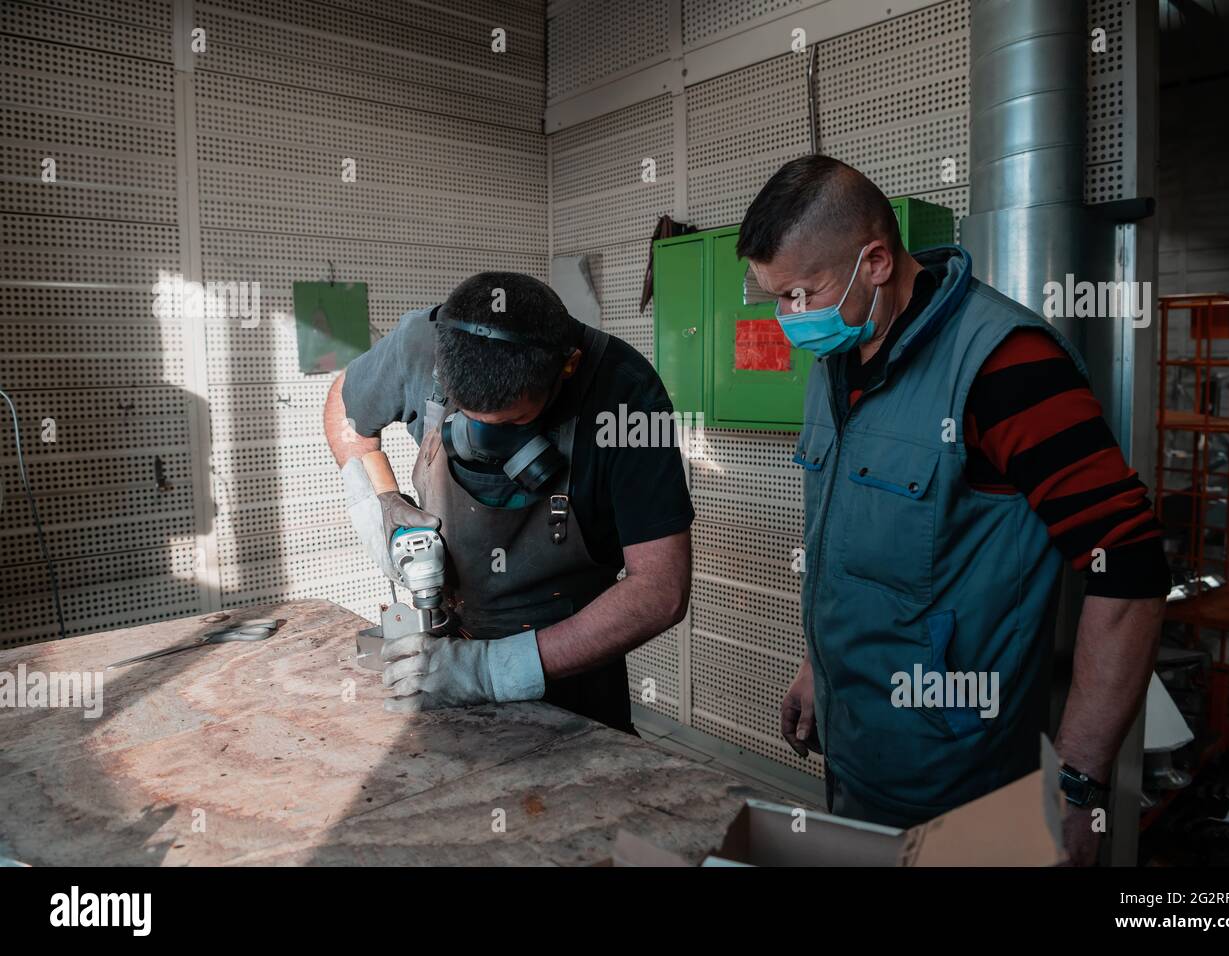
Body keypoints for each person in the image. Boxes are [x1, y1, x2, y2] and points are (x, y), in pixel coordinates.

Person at [741, 156, 1169, 865]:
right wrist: (819, 664)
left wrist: (1077, 787)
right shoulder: (835, 366)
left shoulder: (1007, 366)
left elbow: (1129, 565)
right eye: (775, 298)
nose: (789, 319)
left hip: (962, 778)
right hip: (853, 754)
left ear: (874, 261)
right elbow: (856, 544)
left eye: (798, 293)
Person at [323, 272, 694, 733]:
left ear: (568, 367)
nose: (482, 441)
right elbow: (345, 401)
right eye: (468, 417)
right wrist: (378, 500)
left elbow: (661, 589)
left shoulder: (628, 398)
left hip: (566, 663)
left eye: (513, 419)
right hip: (444, 636)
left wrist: (490, 671)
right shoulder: (421, 342)